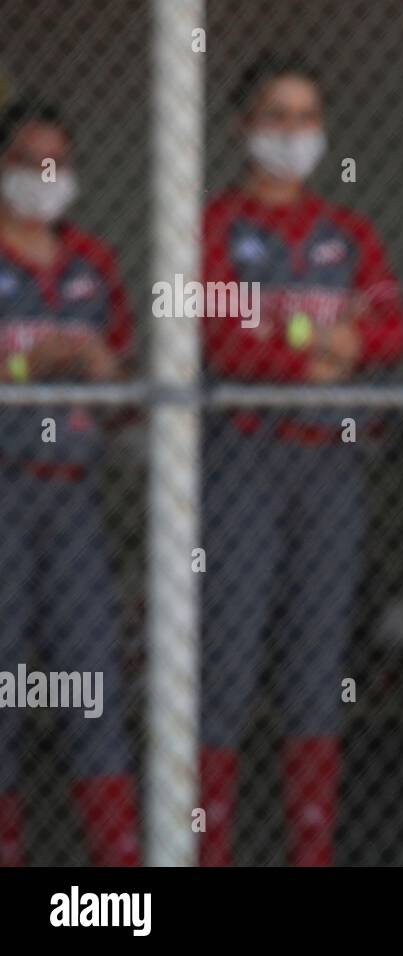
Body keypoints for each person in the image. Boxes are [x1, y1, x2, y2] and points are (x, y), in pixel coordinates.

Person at [199, 56, 403, 866]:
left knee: (317, 665)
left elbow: (391, 333)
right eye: (276, 114)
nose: (293, 132)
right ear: (242, 124)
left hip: (331, 464)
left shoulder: (348, 231)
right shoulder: (213, 223)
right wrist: (315, 348)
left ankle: (309, 854)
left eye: (305, 115)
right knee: (227, 662)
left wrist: (299, 344)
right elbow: (220, 334)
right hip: (243, 460)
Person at [0, 99, 139, 866]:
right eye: (29, 161)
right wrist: (32, 366)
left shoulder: (92, 262)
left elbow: (122, 379)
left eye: (59, 162)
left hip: (74, 498)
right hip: (4, 489)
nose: (46, 178)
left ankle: (118, 878)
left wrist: (101, 372)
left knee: (93, 689)